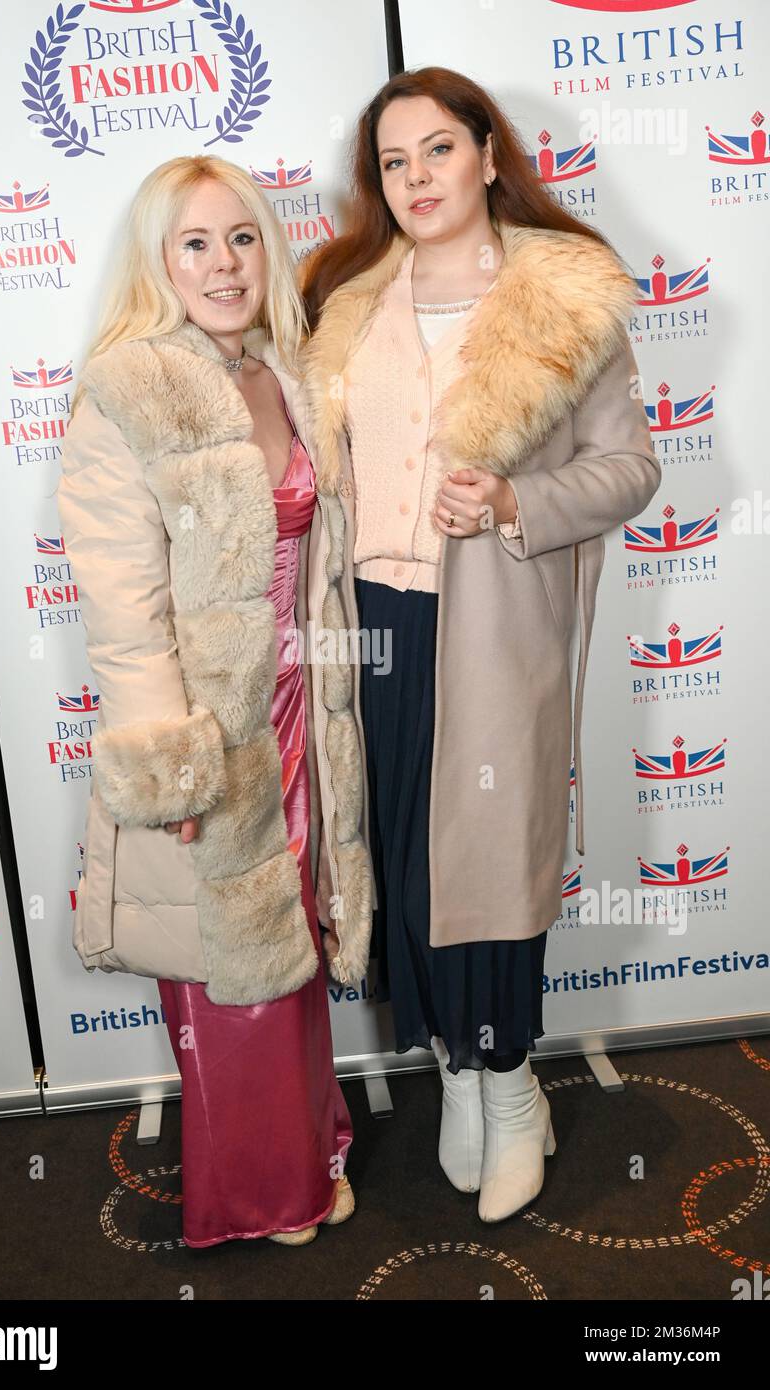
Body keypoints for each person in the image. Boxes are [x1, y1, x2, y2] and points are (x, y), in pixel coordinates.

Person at [300, 67, 662, 1223]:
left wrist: (514, 501)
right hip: (376, 630)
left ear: (490, 155)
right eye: (395, 163)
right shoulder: (348, 300)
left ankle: (512, 1087)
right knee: (404, 866)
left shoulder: (565, 300)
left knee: (490, 877)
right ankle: (456, 1069)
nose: (417, 179)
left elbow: (631, 469)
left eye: (438, 151)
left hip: (495, 625)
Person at [56, 155, 373, 1247]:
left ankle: (312, 1136)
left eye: (242, 237)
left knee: (297, 950)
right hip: (212, 727)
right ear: (158, 261)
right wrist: (171, 760)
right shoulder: (127, 388)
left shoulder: (288, 371)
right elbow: (120, 602)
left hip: (305, 711)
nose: (224, 264)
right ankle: (258, 1189)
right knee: (228, 972)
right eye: (195, 243)